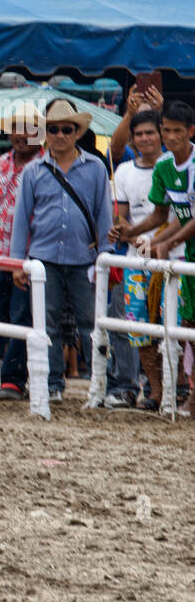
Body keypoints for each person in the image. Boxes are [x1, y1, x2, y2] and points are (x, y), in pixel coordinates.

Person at [9, 99, 113, 404]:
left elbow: (104, 216)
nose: (59, 135)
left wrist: (106, 258)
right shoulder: (32, 171)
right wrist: (18, 263)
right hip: (43, 260)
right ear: (45, 133)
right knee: (46, 323)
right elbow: (21, 220)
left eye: (66, 129)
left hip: (85, 258)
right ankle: (52, 384)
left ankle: (101, 384)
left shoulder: (95, 169)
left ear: (77, 132)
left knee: (92, 323)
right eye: (53, 129)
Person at [117, 100, 195, 413]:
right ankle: (187, 395)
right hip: (188, 252)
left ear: (191, 131)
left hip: (184, 250)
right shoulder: (163, 167)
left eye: (178, 131)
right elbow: (162, 213)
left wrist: (163, 243)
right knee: (188, 325)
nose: (172, 136)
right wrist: (130, 231)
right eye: (168, 130)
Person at [0, 106, 43, 401]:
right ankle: (12, 376)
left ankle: (12, 380)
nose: (21, 135)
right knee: (0, 318)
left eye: (29, 129)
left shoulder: (46, 166)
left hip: (30, 261)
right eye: (16, 128)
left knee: (22, 317)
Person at [106, 109, 167, 409]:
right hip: (136, 261)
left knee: (179, 330)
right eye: (139, 134)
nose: (144, 138)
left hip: (174, 258)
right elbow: (122, 221)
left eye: (150, 132)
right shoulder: (125, 172)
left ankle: (180, 389)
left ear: (161, 134)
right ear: (132, 138)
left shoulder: (175, 167)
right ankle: (155, 392)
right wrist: (124, 234)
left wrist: (151, 241)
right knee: (140, 330)